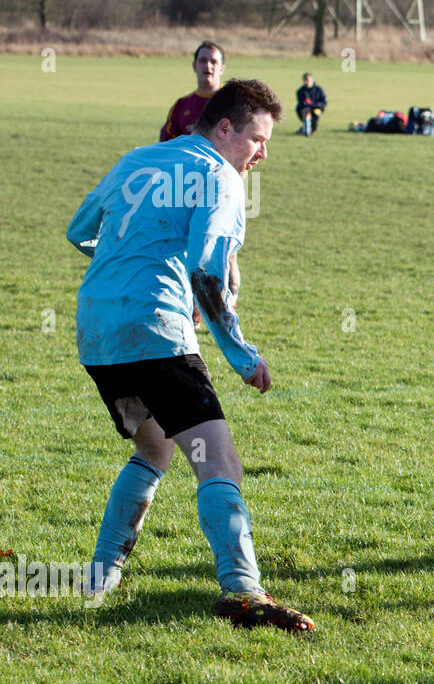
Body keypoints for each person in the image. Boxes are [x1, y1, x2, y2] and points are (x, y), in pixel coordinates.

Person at [67, 78, 313, 632]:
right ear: (224, 129)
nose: (262, 153)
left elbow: (79, 232)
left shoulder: (136, 159)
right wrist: (243, 356)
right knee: (218, 463)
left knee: (154, 448)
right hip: (156, 331)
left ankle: (99, 579)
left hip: (98, 331)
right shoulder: (219, 176)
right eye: (257, 139)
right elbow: (208, 271)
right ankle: (244, 591)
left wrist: (128, 258)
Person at [160, 40, 239, 311]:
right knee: (187, 249)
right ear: (194, 65)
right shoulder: (182, 106)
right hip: (184, 191)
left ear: (222, 68)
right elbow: (164, 151)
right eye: (203, 60)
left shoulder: (234, 108)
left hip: (222, 189)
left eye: (213, 61)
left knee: (225, 252)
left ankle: (224, 306)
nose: (208, 66)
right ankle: (192, 306)